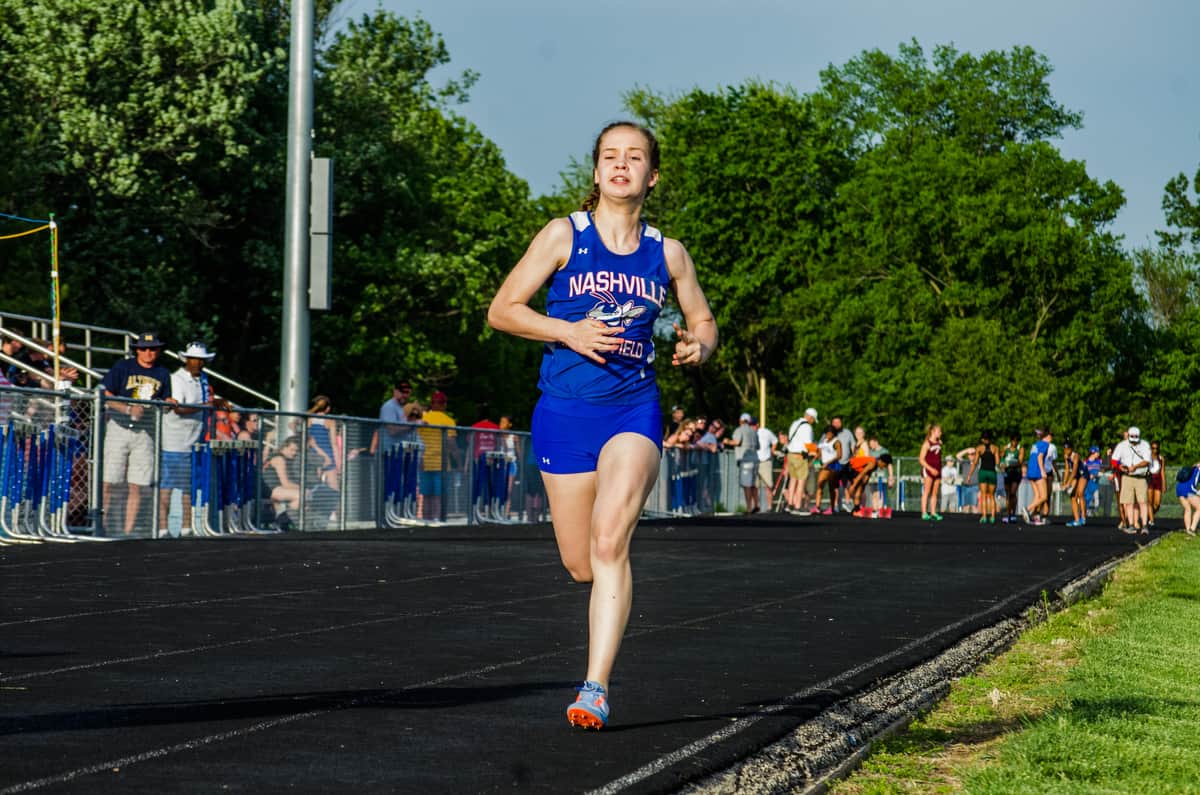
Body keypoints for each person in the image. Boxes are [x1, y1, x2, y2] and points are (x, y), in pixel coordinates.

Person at [487, 120, 717, 730]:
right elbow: (502, 310)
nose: (621, 165)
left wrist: (699, 347)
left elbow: (704, 322)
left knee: (610, 541)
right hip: (563, 414)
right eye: (610, 156)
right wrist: (569, 330)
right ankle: (605, 585)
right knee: (582, 564)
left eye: (634, 157)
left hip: (632, 409)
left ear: (652, 175)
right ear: (595, 172)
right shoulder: (564, 235)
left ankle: (594, 687)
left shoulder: (667, 253)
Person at [101, 331, 176, 535]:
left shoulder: (162, 372)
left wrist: (169, 403)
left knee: (138, 485)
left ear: (159, 350)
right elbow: (105, 394)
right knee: (109, 481)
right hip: (119, 427)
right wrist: (126, 408)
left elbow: (166, 399)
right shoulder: (123, 367)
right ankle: (102, 527)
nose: (148, 352)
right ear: (137, 350)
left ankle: (127, 532)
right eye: (143, 348)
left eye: (152, 348)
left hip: (146, 431)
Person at [158, 341, 224, 537]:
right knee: (168, 485)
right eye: (194, 359)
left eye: (201, 360)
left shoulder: (203, 379)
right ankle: (163, 528)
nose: (198, 363)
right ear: (186, 359)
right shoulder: (176, 379)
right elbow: (179, 408)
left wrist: (208, 405)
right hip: (174, 440)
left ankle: (187, 526)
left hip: (193, 439)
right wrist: (208, 404)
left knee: (189, 485)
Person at [416, 390, 460, 520]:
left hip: (424, 463)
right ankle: (436, 522)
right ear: (444, 404)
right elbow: (451, 444)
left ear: (432, 403)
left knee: (426, 496)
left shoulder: (422, 419)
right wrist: (459, 463)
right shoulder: (448, 420)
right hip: (441, 464)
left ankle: (426, 522)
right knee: (438, 496)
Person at [1111, 426, 1152, 534]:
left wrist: (1136, 467)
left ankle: (1144, 525)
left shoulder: (1144, 445)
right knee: (1128, 502)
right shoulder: (1122, 445)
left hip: (1140, 477)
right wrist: (1120, 466)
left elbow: (1147, 461)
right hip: (1127, 476)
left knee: (1142, 502)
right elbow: (1114, 459)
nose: (1134, 441)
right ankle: (1131, 525)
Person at [785, 408, 817, 515]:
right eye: (813, 419)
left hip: (790, 455)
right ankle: (798, 506)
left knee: (793, 480)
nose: (813, 422)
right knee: (801, 481)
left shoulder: (795, 423)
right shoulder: (807, 427)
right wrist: (814, 452)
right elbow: (808, 443)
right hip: (800, 456)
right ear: (810, 417)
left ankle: (789, 504)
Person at [728, 412, 760, 513]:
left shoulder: (739, 430)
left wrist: (726, 442)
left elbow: (737, 442)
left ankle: (749, 508)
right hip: (755, 459)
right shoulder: (754, 431)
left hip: (745, 460)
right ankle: (756, 504)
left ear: (741, 421)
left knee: (746, 484)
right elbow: (758, 446)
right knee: (753, 484)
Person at [967, 431, 1000, 524]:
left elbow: (975, 463)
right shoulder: (995, 448)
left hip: (983, 472)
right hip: (992, 472)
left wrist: (969, 475)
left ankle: (984, 516)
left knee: (983, 495)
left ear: (982, 439)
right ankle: (993, 517)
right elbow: (997, 463)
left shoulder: (979, 448)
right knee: (992, 496)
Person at [1022, 429, 1051, 526]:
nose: (1051, 438)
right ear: (1047, 436)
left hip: (1030, 470)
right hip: (1037, 471)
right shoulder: (1045, 444)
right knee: (1044, 496)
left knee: (1037, 496)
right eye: (1051, 436)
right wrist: (1043, 471)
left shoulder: (1036, 444)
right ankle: (1027, 509)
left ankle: (1032, 515)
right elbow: (1040, 457)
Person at [814, 425, 842, 515]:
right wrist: (815, 459)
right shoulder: (824, 441)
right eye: (827, 433)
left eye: (830, 433)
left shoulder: (836, 442)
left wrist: (829, 462)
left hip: (833, 466)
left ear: (833, 434)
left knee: (831, 487)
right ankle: (817, 506)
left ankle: (832, 507)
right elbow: (819, 453)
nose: (828, 435)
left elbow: (839, 455)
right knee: (819, 484)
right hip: (824, 466)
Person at [918, 424, 943, 521]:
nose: (941, 433)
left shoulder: (939, 442)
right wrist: (931, 469)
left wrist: (937, 469)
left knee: (935, 493)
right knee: (927, 491)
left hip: (938, 469)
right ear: (933, 432)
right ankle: (924, 512)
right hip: (929, 470)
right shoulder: (926, 444)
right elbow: (921, 459)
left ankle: (933, 512)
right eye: (939, 431)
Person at [1060, 439, 1087, 527]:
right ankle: (1077, 520)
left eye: (1067, 449)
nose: (1066, 450)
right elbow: (1067, 470)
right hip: (1076, 476)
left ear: (1071, 449)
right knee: (1072, 496)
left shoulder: (1075, 456)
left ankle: (1083, 517)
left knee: (1080, 493)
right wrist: (1064, 482)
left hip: (1083, 474)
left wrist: (1068, 483)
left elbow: (1074, 471)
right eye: (1064, 449)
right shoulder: (1066, 457)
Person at [999, 433, 1024, 523]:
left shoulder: (1020, 449)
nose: (1015, 442)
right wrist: (1002, 465)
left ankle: (1013, 513)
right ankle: (1008, 513)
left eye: (1017, 441)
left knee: (1013, 493)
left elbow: (1020, 461)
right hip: (1007, 473)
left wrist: (1009, 464)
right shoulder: (1006, 448)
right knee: (1008, 494)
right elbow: (1001, 457)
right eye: (1013, 440)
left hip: (1016, 473)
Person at [753, 416, 776, 510]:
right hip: (754, 462)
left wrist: (772, 451)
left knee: (768, 485)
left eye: (753, 425)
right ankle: (756, 506)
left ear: (757, 424)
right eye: (750, 425)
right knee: (754, 486)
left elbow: (775, 441)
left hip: (765, 461)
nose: (752, 427)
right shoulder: (749, 433)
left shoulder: (766, 432)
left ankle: (770, 506)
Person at [1175, 459, 1200, 536]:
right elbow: (1192, 484)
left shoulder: (1194, 468)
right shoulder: (1198, 470)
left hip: (1179, 488)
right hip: (1189, 490)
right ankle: (1192, 529)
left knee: (1188, 509)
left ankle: (1188, 529)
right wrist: (1197, 492)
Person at [1147, 441, 1165, 529]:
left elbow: (1162, 472)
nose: (1155, 450)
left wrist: (1164, 484)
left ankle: (1149, 515)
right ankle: (1151, 520)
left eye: (1156, 448)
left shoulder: (1161, 458)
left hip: (1158, 480)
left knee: (1157, 504)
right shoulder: (1147, 457)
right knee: (1149, 501)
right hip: (1150, 479)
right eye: (1153, 448)